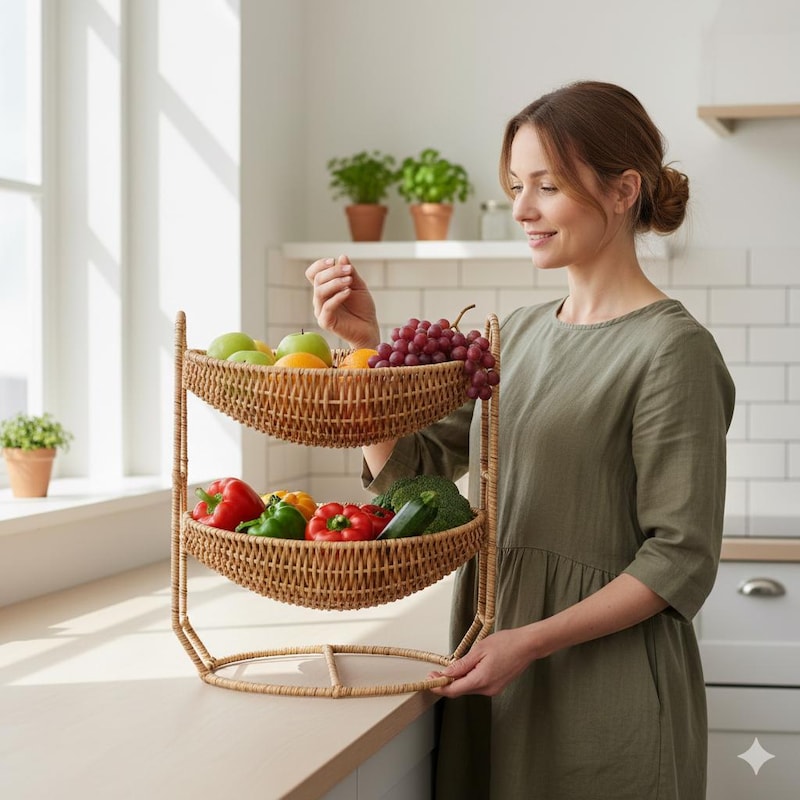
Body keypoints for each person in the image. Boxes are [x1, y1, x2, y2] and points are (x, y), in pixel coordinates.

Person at [305, 80, 735, 800]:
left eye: (547, 186)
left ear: (624, 189)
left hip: (607, 693)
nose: (523, 209)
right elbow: (415, 476)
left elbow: (679, 558)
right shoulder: (520, 335)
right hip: (494, 668)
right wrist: (362, 351)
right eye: (516, 186)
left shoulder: (672, 351)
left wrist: (528, 642)